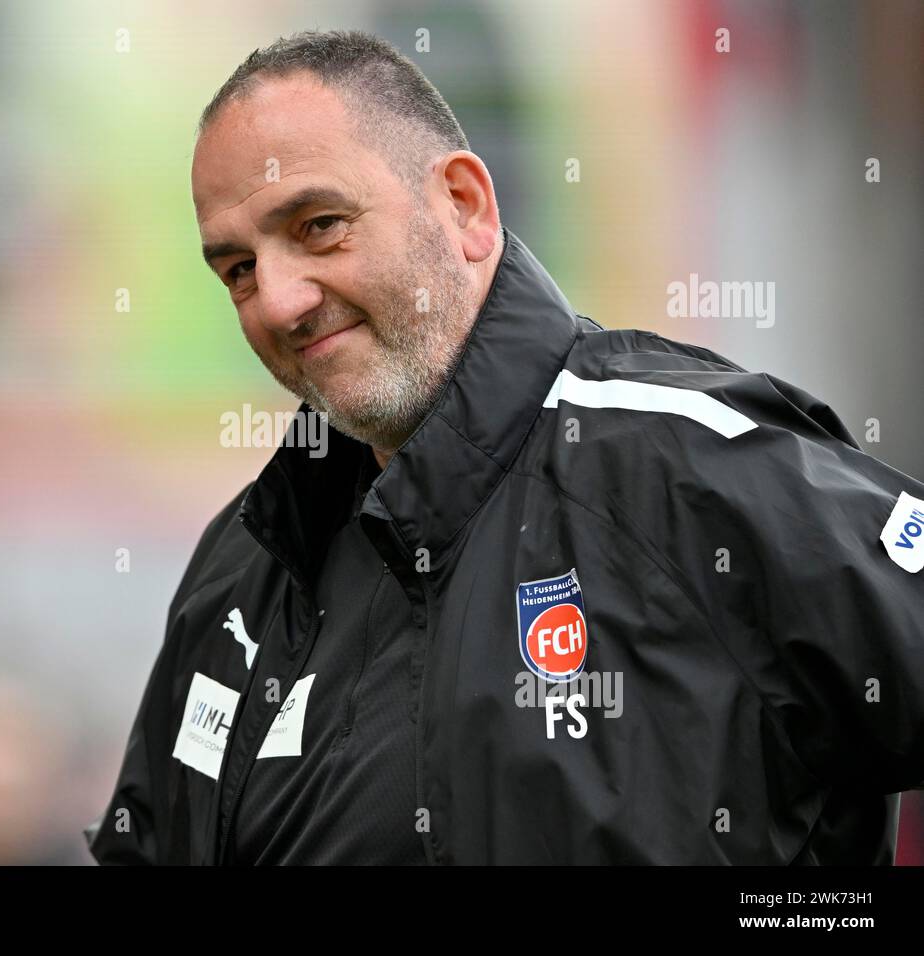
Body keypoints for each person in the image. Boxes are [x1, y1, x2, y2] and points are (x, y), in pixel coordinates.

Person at [84, 29, 924, 864]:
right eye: (236, 269)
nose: (277, 301)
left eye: (318, 225)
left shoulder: (694, 472)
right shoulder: (240, 569)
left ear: (464, 206)